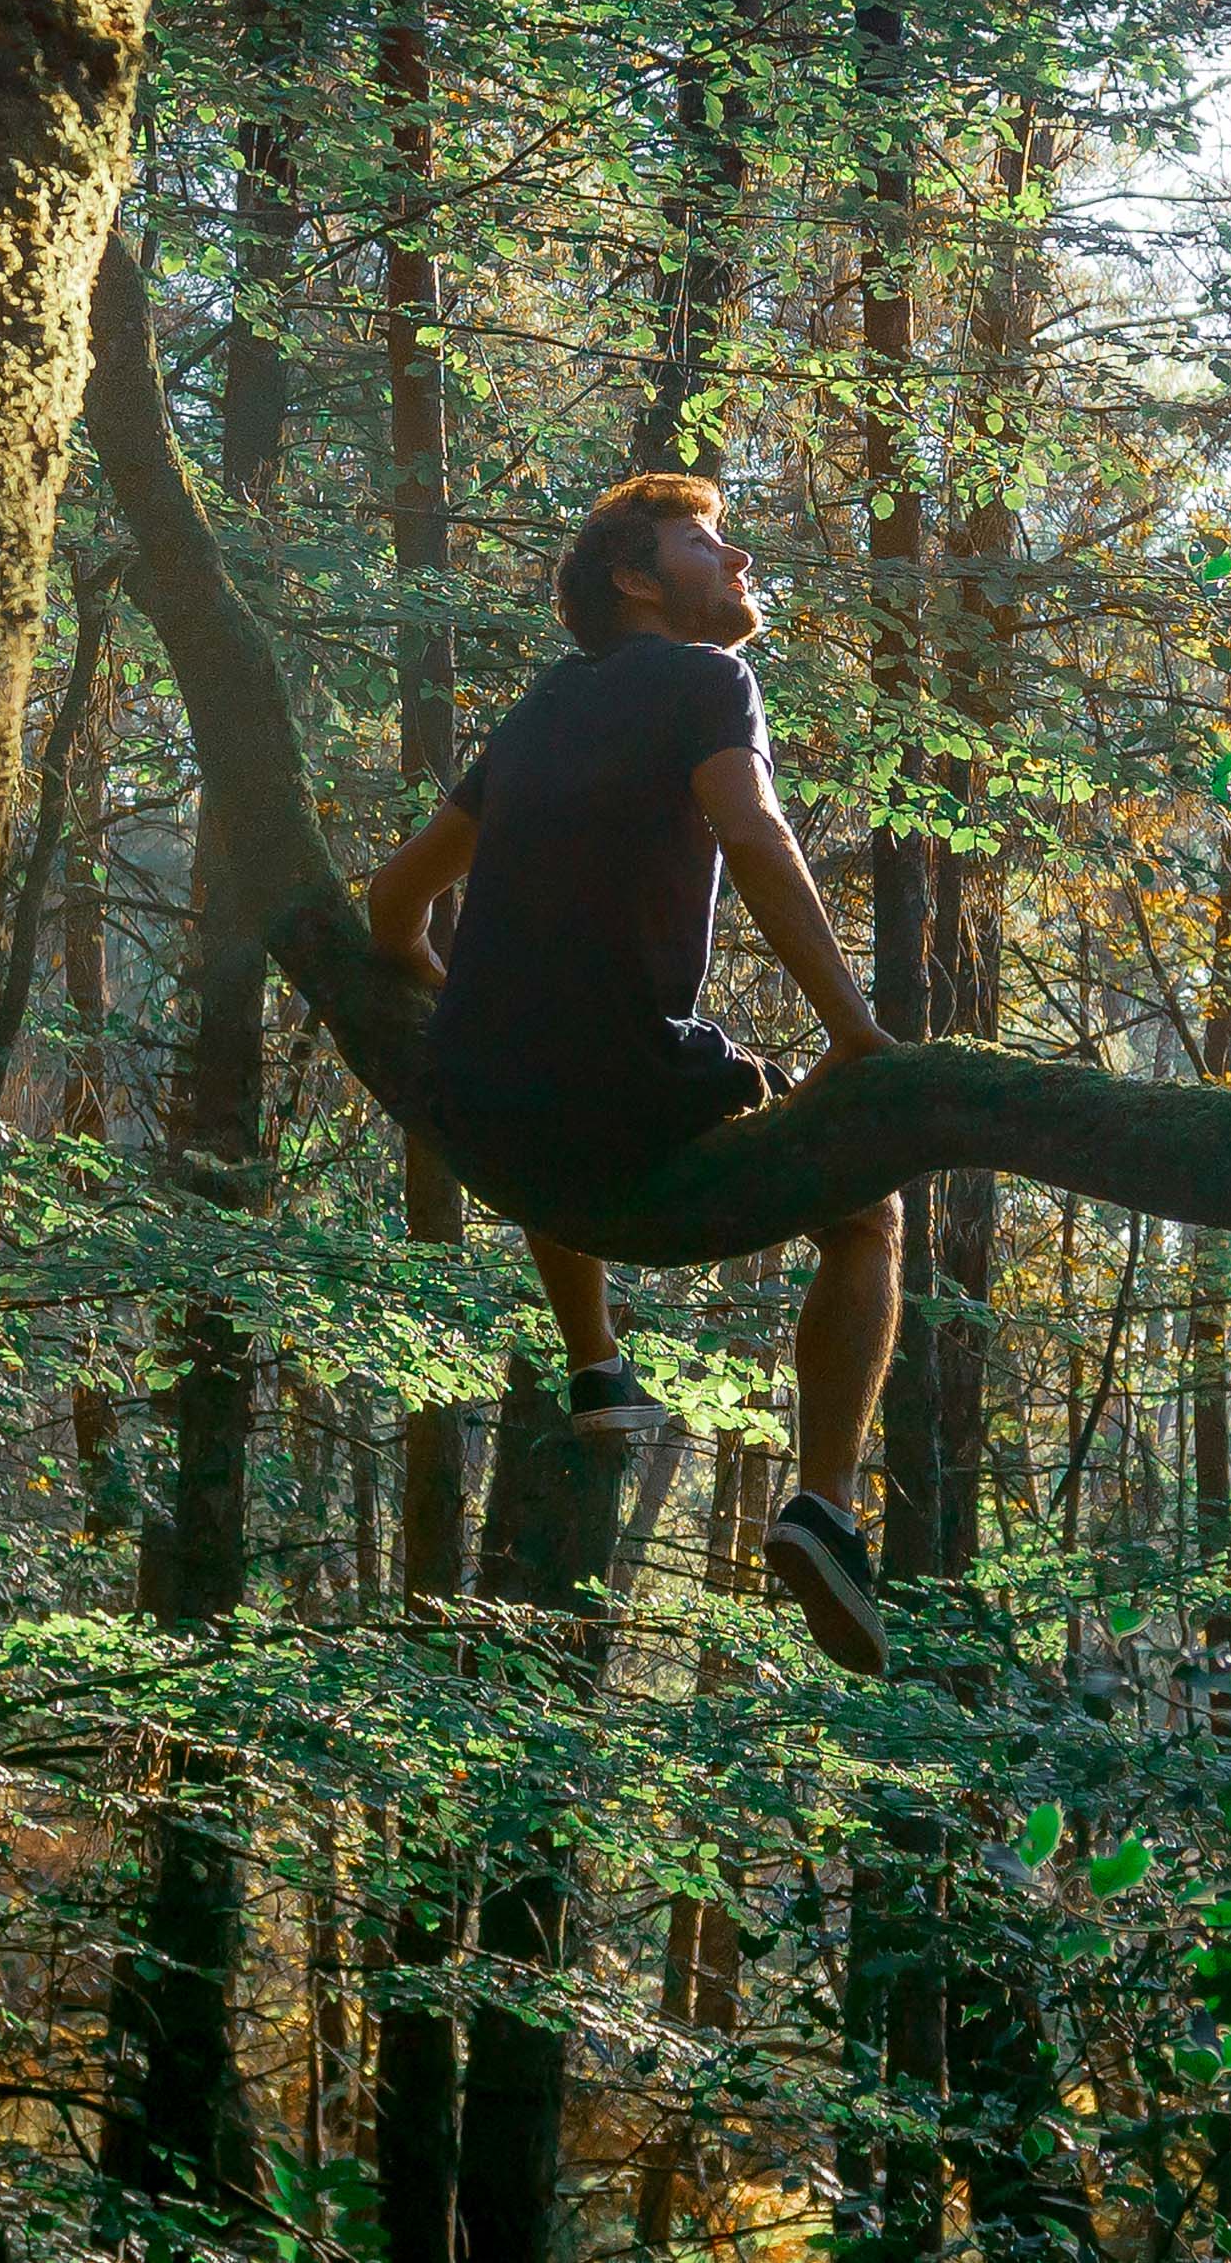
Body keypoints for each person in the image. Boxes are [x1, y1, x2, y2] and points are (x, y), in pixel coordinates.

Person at [364, 474, 900, 1676]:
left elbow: (394, 902)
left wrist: (460, 1003)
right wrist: (857, 1034)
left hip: (477, 1111)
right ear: (636, 579)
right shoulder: (710, 682)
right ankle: (823, 1507)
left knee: (554, 1046)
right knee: (871, 1210)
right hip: (607, 1103)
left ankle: (596, 1364)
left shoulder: (535, 713)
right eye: (708, 542)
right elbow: (755, 838)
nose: (740, 557)